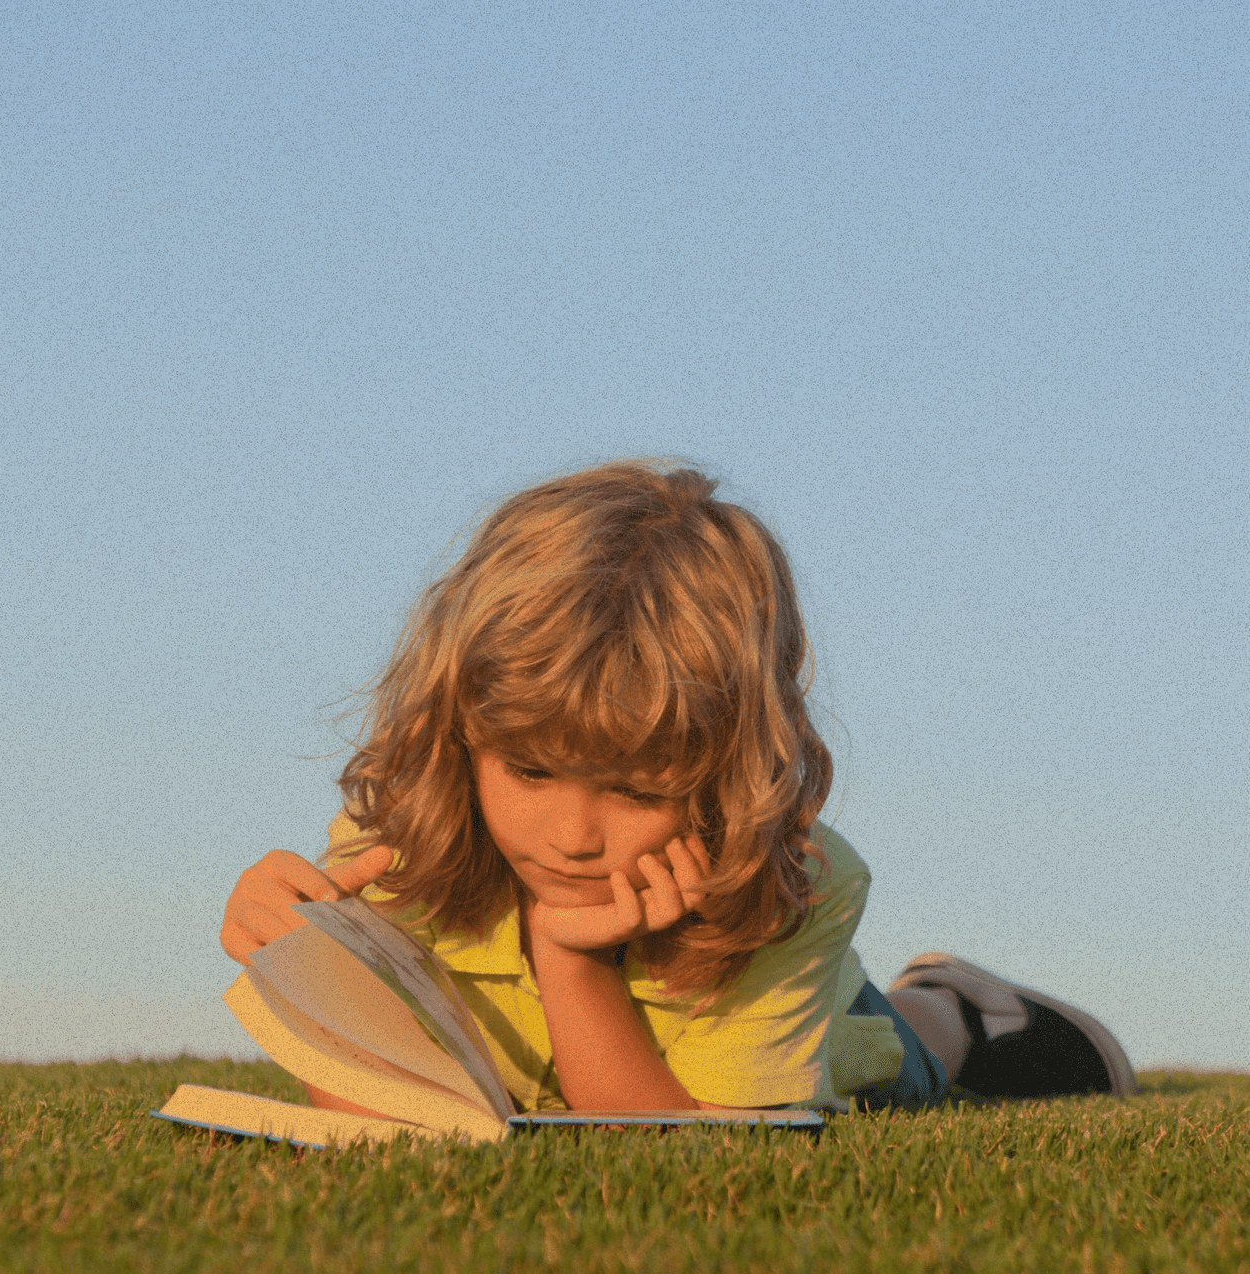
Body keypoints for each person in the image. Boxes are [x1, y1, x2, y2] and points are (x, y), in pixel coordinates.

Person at [220, 461, 1135, 1114]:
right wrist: (304, 963)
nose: (572, 836)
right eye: (530, 770)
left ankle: (956, 1002)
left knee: (899, 1063)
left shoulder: (795, 889)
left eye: (632, 791)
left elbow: (674, 1151)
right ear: (460, 734)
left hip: (816, 1031)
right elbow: (372, 1104)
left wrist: (571, 960)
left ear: (725, 774)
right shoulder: (400, 845)